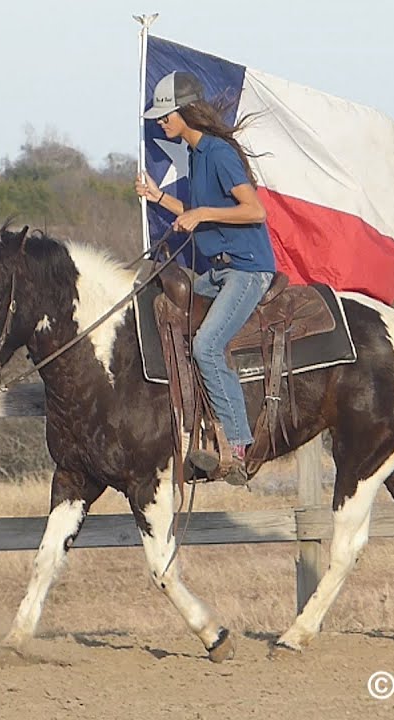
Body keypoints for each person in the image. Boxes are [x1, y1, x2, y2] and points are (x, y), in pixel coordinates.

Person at [136, 70, 276, 483]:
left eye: (167, 115)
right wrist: (158, 197)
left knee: (207, 345)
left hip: (247, 269)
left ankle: (238, 446)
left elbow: (255, 211)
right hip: (217, 272)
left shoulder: (217, 153)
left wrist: (201, 214)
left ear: (187, 111)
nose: (162, 122)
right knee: (162, 311)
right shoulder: (196, 154)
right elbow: (197, 211)